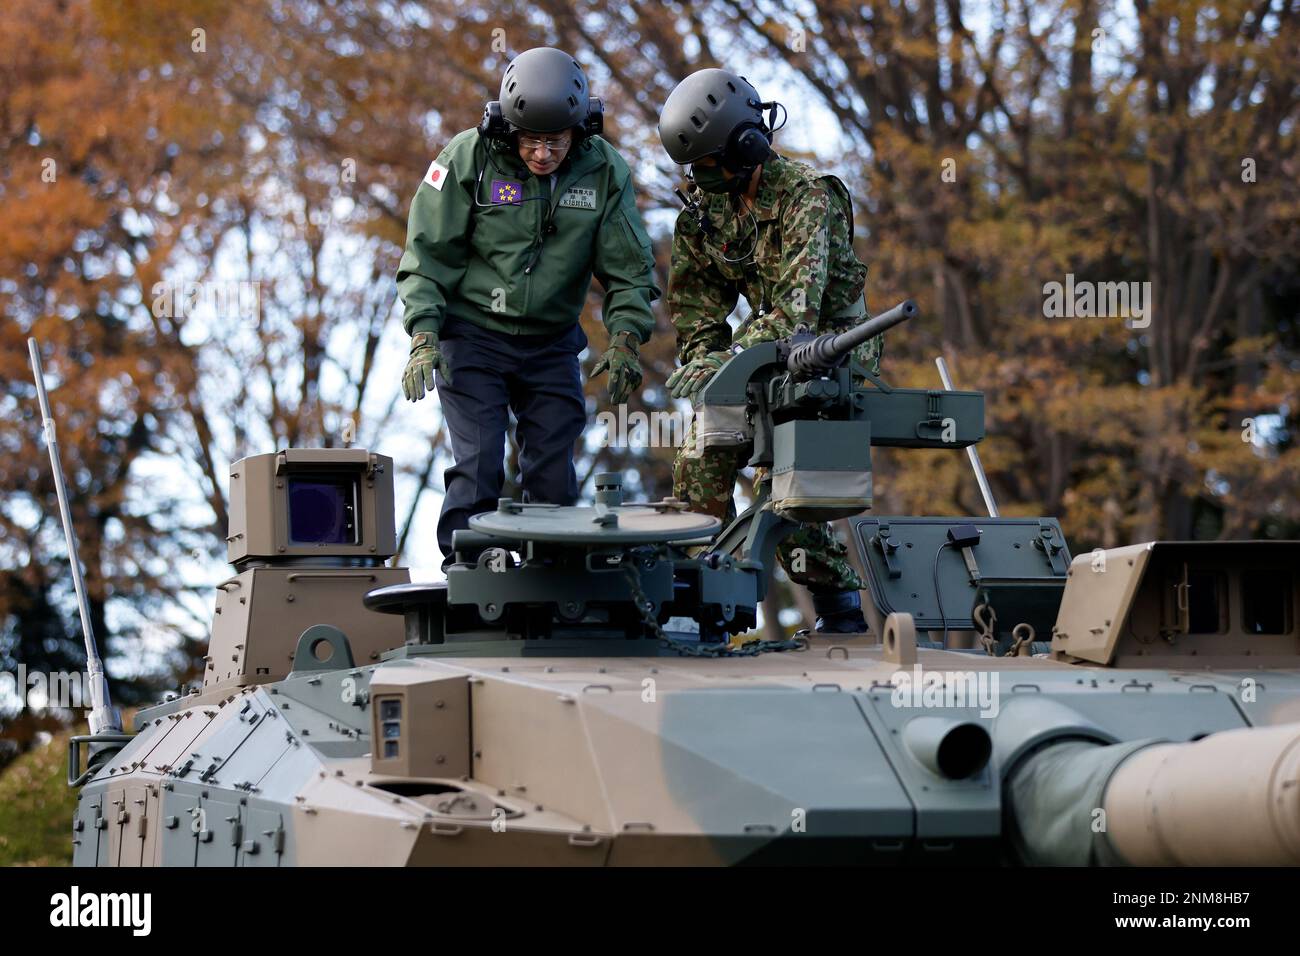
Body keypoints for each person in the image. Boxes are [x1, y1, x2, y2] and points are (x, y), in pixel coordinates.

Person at [397, 47, 659, 569]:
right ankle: (469, 561)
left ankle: (549, 562)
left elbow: (629, 269)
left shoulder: (603, 170)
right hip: (472, 335)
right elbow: (427, 254)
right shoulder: (466, 157)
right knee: (478, 459)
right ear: (509, 129)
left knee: (554, 460)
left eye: (554, 141)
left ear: (577, 132)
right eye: (531, 141)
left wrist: (626, 338)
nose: (542, 154)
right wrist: (424, 336)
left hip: (551, 341)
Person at [657, 68, 883, 633]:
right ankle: (702, 599)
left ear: (746, 148)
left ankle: (840, 613)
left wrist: (725, 360)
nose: (699, 180)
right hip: (763, 348)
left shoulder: (808, 197)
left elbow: (796, 315)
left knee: (785, 486)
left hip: (831, 350)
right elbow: (697, 307)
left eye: (708, 165)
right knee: (703, 449)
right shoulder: (706, 214)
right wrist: (707, 362)